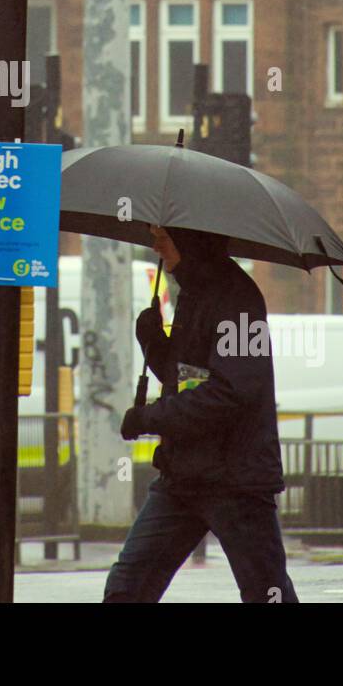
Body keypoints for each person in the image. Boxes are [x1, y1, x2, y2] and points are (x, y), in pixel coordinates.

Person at [103, 224, 299, 603]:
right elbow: (190, 379)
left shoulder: (239, 301)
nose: (155, 242)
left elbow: (230, 392)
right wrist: (155, 346)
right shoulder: (194, 292)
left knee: (267, 593)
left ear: (191, 238)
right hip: (184, 477)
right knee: (128, 588)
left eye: (164, 234)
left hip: (235, 481)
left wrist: (150, 417)